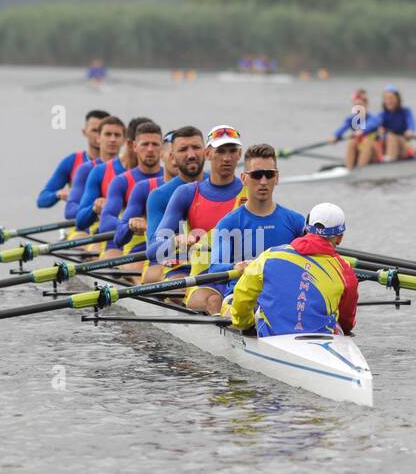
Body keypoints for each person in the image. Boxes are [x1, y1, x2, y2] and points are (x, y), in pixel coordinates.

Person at [190, 143, 306, 314]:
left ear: (277, 177)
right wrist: (238, 267)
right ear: (244, 178)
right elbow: (216, 268)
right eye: (257, 175)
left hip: (283, 296)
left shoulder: (296, 221)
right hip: (241, 297)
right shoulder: (229, 223)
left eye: (269, 174)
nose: (264, 181)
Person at [228, 203, 359, 337]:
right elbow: (347, 320)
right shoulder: (345, 270)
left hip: (271, 337)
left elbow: (243, 294)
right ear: (340, 238)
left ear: (306, 229)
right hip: (323, 341)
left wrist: (245, 325)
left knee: (231, 300)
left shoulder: (269, 256)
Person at [152, 125, 245, 288]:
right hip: (200, 274)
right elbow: (152, 250)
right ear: (208, 153)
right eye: (221, 151)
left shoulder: (252, 190)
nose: (227, 158)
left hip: (240, 272)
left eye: (232, 151)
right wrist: (174, 242)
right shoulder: (184, 193)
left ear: (240, 154)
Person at [137, 127, 205, 282]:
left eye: (196, 148)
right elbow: (154, 251)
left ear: (206, 152)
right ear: (172, 157)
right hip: (176, 263)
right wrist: (175, 241)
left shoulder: (219, 188)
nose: (191, 154)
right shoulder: (159, 195)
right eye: (183, 149)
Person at [98, 121, 164, 261]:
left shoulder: (173, 181)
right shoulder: (122, 181)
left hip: (168, 246)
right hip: (135, 245)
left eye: (155, 144)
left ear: (162, 147)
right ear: (134, 146)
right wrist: (130, 224)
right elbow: (105, 223)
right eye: (145, 144)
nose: (150, 149)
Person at [37, 108, 108, 210]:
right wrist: (58, 194)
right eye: (94, 130)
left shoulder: (123, 163)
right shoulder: (72, 162)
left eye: (102, 131)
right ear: (84, 132)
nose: (98, 136)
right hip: (82, 221)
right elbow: (42, 200)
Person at [72, 115, 126, 234]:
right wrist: (95, 208)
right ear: (98, 138)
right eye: (108, 134)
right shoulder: (89, 170)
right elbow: (74, 216)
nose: (112, 139)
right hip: (95, 231)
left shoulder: (132, 170)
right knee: (80, 235)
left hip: (127, 230)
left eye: (117, 135)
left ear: (124, 140)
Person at [329, 89, 382, 169]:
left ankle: (359, 171)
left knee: (367, 141)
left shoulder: (374, 119)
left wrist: (362, 131)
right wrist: (335, 136)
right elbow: (343, 128)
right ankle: (349, 169)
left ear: (366, 105)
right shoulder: (352, 120)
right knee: (352, 141)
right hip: (360, 152)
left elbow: (370, 125)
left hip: (375, 154)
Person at [371, 84, 416, 162]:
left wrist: (410, 130)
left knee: (392, 136)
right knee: (376, 138)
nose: (388, 101)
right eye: (386, 99)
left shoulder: (405, 112)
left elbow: (411, 123)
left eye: (391, 98)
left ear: (397, 99)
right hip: (387, 144)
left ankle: (389, 160)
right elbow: (372, 124)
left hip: (404, 145)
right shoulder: (382, 115)